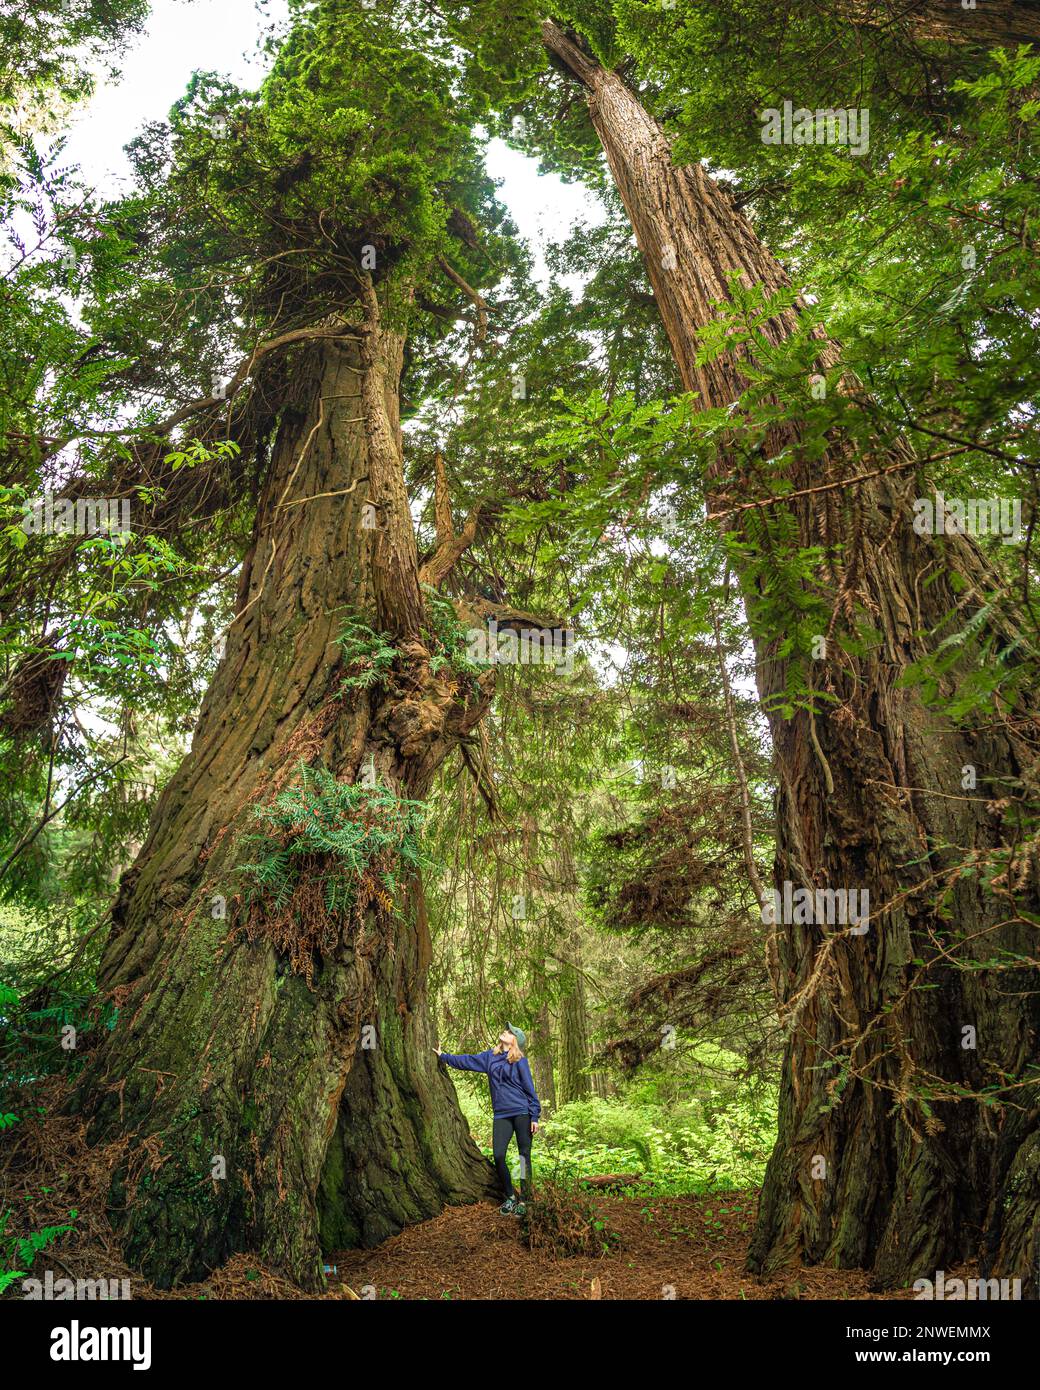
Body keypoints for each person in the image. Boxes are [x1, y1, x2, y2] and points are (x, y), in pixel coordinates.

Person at [435, 1025, 541, 1215]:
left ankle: (525, 1200)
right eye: (506, 1031)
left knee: (523, 1157)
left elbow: (529, 1088)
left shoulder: (520, 1061)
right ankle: (510, 1196)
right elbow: (467, 1060)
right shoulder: (489, 1057)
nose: (505, 1032)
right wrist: (445, 1056)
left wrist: (535, 1115)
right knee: (499, 1155)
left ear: (515, 1040)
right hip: (501, 1114)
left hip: (522, 1113)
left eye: (510, 1032)